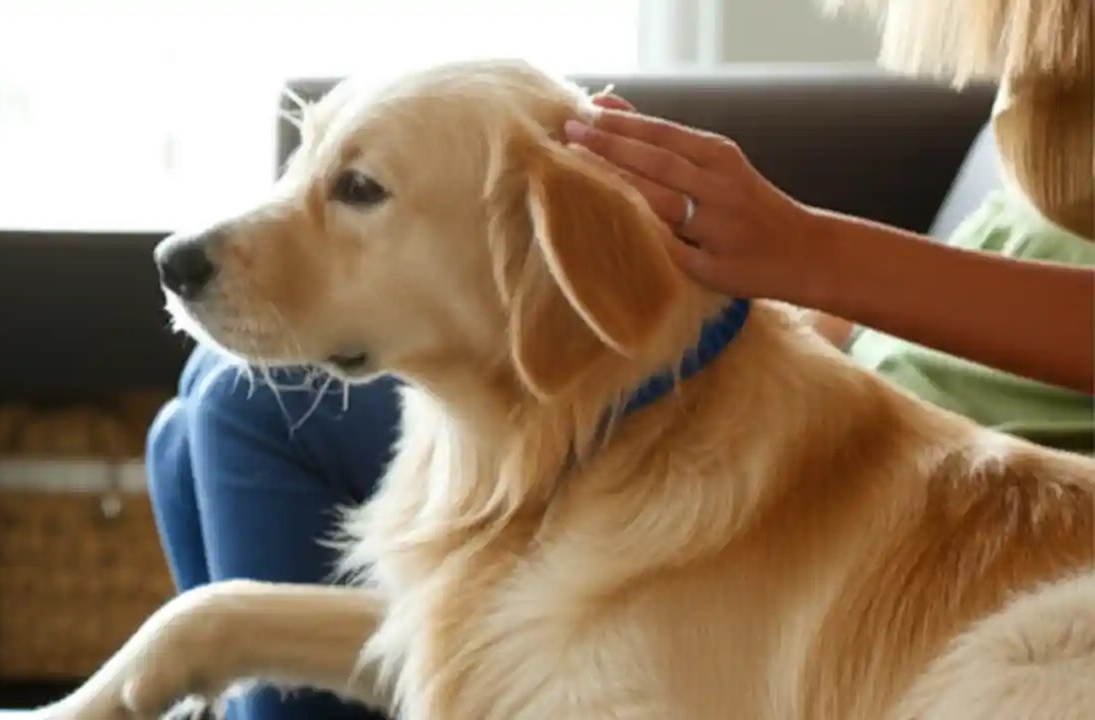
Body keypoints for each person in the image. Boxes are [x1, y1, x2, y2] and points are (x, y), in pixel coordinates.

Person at [147, 3, 1093, 718]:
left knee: (231, 418)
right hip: (865, 390)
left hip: (981, 520)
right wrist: (769, 325)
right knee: (209, 413)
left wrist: (811, 252)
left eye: (354, 188)